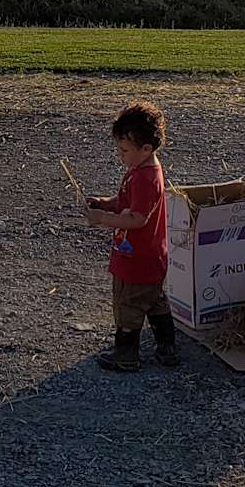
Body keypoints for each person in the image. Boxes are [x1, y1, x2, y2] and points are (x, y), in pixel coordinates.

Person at [85, 101, 177, 371]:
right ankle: (167, 346)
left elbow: (137, 218)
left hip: (135, 258)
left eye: (124, 150)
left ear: (146, 149)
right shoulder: (139, 172)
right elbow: (127, 203)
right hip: (152, 257)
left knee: (128, 304)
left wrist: (102, 219)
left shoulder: (145, 179)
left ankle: (126, 355)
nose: (120, 155)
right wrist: (105, 203)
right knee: (155, 301)